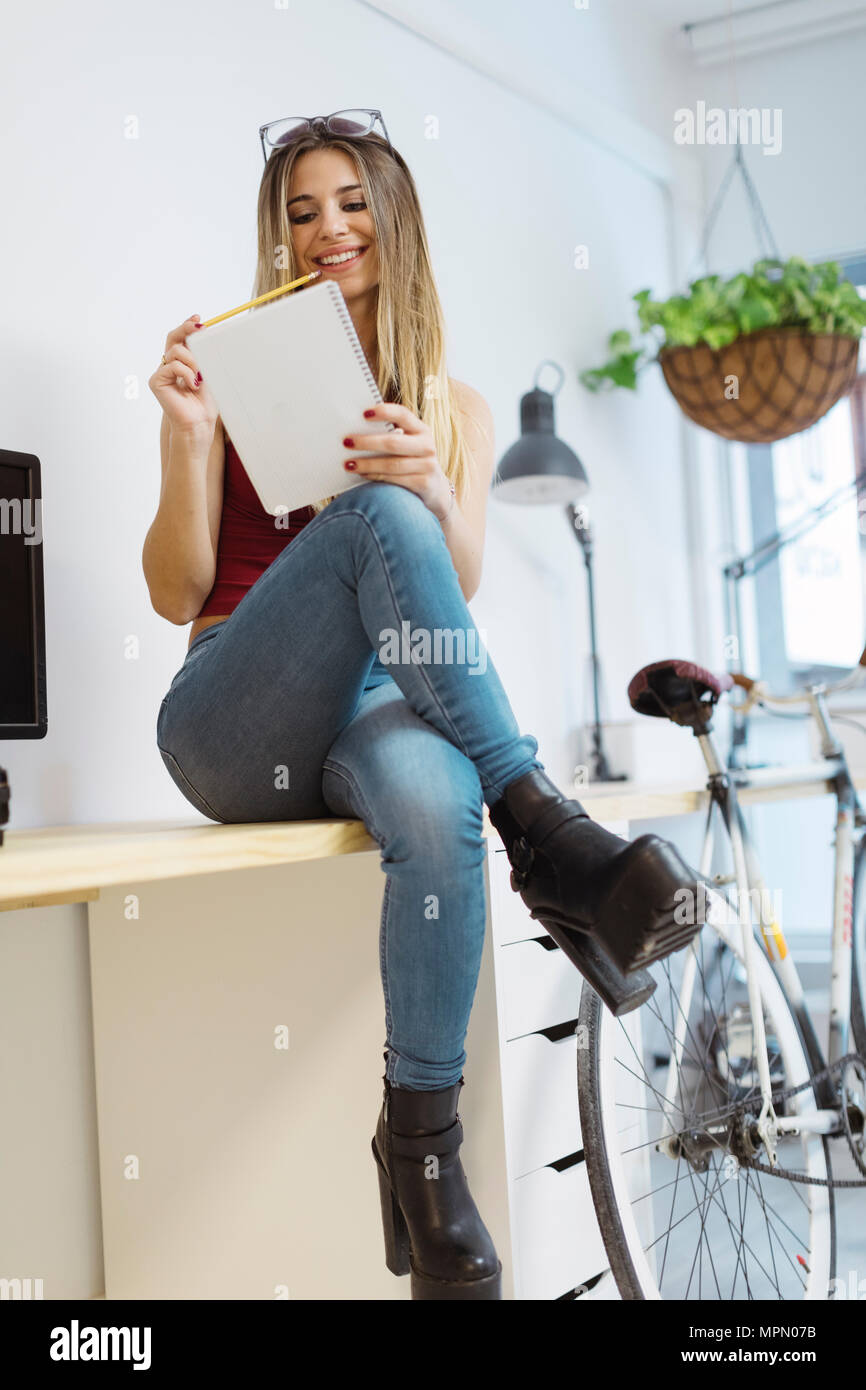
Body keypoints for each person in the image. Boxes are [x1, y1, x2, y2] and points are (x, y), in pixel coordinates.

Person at [143, 111, 702, 1301]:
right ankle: (549, 836)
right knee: (376, 522)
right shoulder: (225, 375)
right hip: (232, 713)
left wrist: (432, 482)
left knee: (436, 798)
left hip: (374, 712)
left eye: (348, 203)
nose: (325, 229)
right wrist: (190, 436)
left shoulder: (456, 405)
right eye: (299, 212)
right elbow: (173, 589)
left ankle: (421, 1153)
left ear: (391, 225)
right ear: (279, 239)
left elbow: (458, 592)